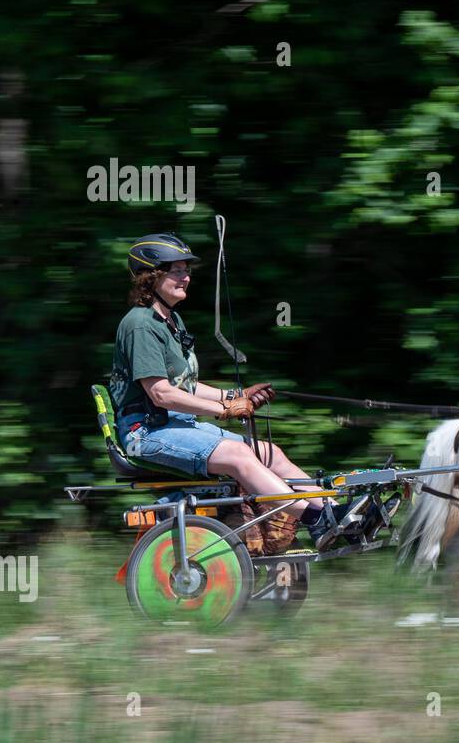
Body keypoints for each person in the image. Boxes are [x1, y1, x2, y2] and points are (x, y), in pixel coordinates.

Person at [109, 232, 351, 550]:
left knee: (269, 453)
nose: (186, 276)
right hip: (146, 432)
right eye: (176, 270)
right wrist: (225, 410)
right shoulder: (140, 324)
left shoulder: (169, 320)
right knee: (239, 456)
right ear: (151, 276)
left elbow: (187, 385)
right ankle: (316, 520)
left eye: (187, 270)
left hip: (176, 426)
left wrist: (235, 397)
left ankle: (337, 514)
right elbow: (161, 394)